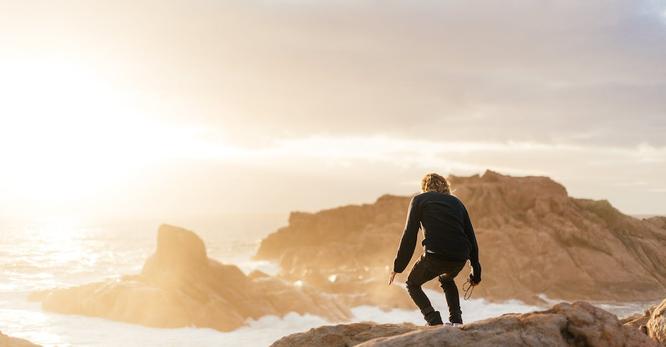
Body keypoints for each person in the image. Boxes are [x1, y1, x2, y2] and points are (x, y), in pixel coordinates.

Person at [388, 173, 481, 326]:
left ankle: (434, 321)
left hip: (435, 256)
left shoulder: (419, 200)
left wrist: (398, 267)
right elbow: (471, 237)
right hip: (459, 257)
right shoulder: (457, 203)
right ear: (446, 187)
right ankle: (456, 321)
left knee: (412, 284)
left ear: (424, 187)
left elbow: (409, 235)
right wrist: (476, 273)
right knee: (446, 279)